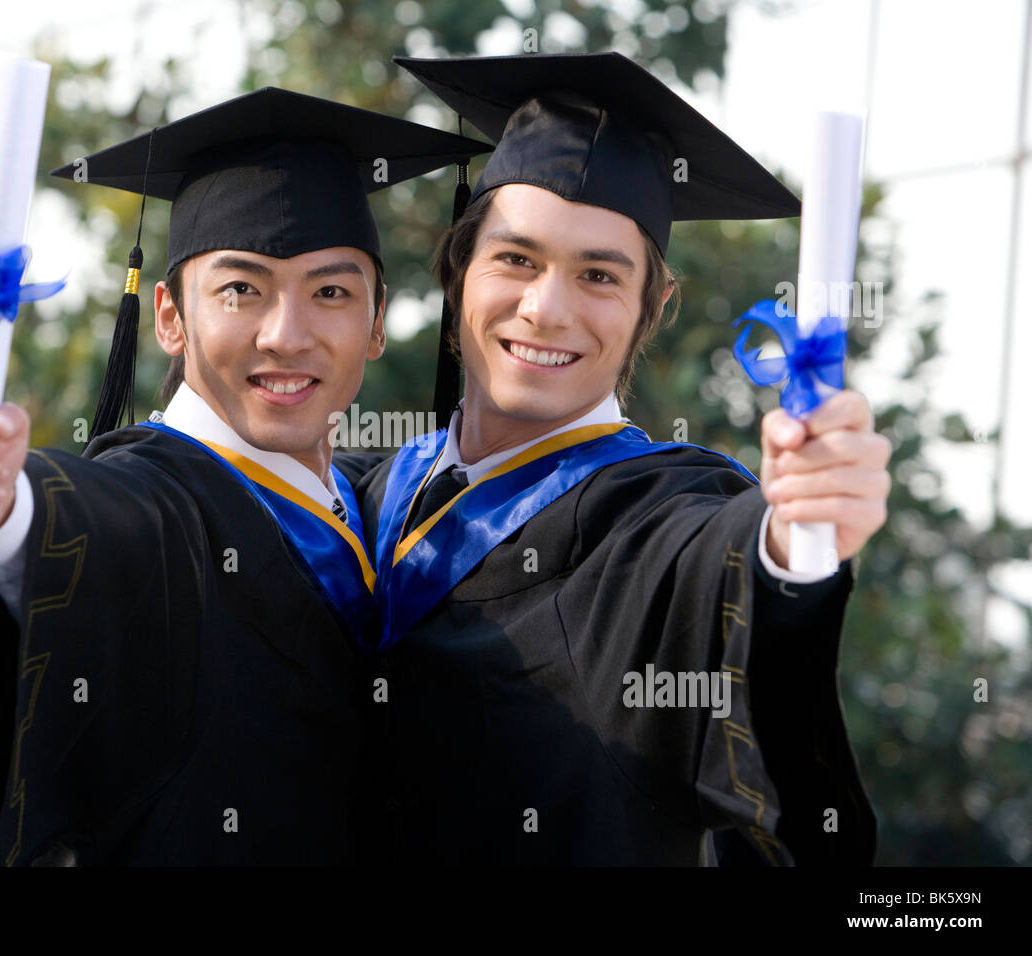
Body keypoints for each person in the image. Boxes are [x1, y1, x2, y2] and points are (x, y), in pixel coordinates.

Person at [0, 87, 487, 865]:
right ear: (169, 317)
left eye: (331, 292)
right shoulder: (158, 496)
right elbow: (97, 531)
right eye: (241, 289)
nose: (287, 334)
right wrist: (4, 506)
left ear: (377, 322)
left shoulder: (382, 505)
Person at [351, 52, 887, 865]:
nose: (547, 308)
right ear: (460, 266)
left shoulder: (659, 522)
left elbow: (731, 565)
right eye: (516, 259)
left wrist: (794, 544)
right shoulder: (369, 492)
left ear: (652, 304)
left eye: (599, 274)